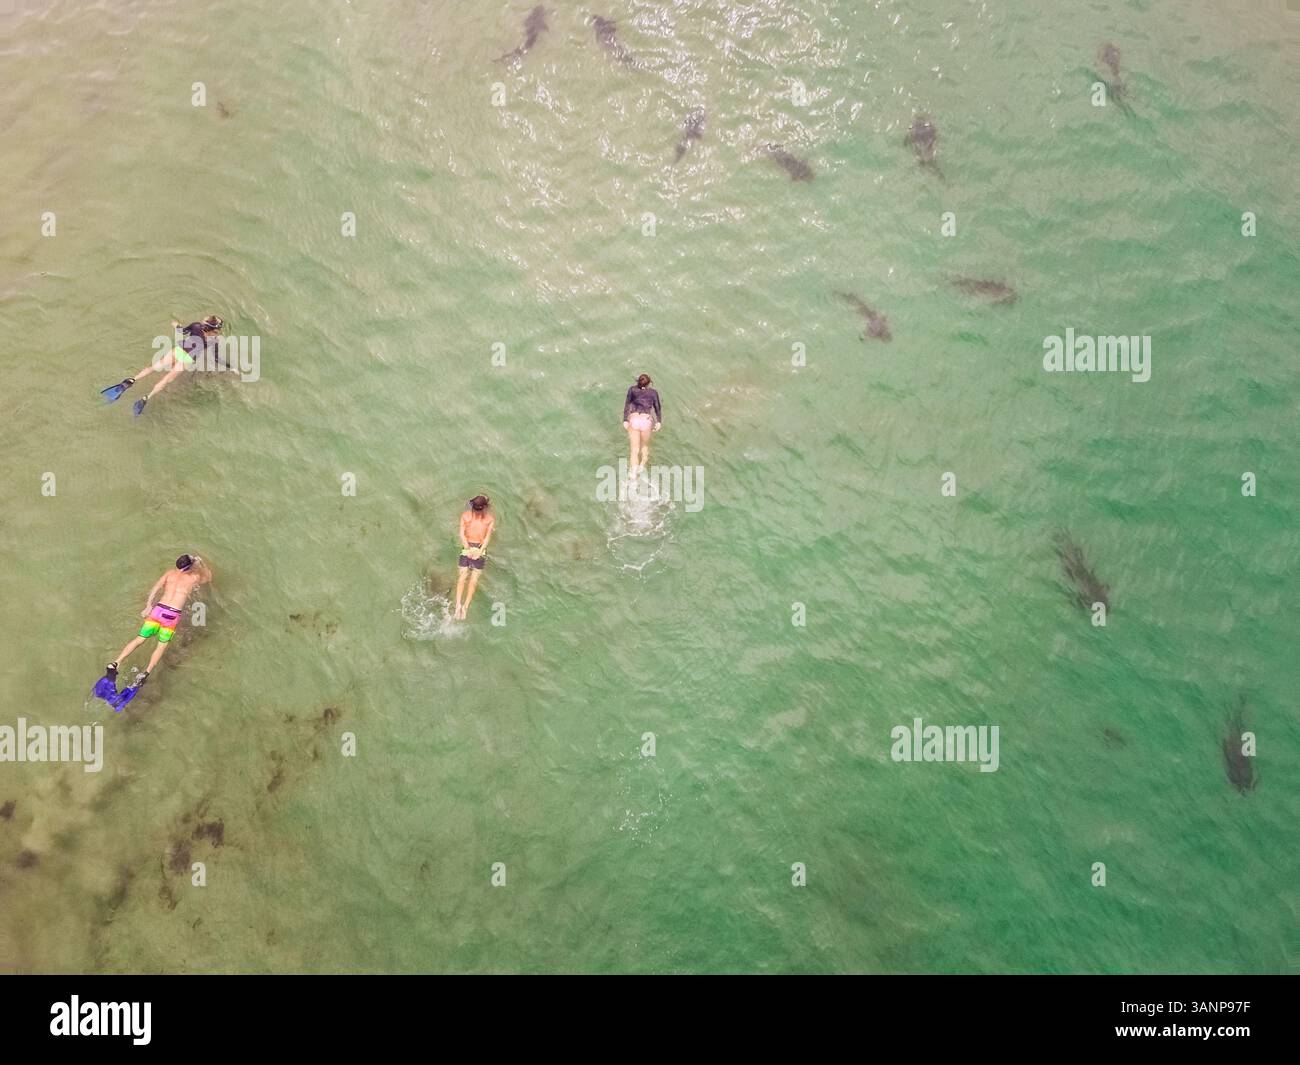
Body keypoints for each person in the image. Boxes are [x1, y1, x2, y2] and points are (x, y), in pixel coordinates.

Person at [99, 555, 212, 694]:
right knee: (160, 646)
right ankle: (146, 673)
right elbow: (209, 577)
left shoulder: (169, 573)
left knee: (139, 639)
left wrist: (148, 606)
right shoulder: (193, 577)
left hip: (158, 611)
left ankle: (115, 663)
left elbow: (155, 588)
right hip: (171, 615)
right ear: (189, 567)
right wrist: (200, 564)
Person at [100, 315, 223, 416]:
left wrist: (176, 326)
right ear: (215, 330)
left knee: (155, 367)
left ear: (206, 324)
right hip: (187, 359)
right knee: (165, 380)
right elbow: (216, 358)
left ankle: (131, 380)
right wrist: (231, 367)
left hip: (178, 351)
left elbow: (182, 331)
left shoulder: (196, 326)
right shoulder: (215, 341)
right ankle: (146, 397)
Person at [454, 496, 495, 620]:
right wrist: (479, 551)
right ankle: (466, 606)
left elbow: (462, 534)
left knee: (462, 578)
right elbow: (487, 538)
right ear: (484, 508)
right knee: (473, 580)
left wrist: (467, 548)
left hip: (467, 549)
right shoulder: (489, 519)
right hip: (479, 550)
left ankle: (458, 606)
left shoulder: (465, 516)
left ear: (472, 506)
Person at [622, 373, 661, 480]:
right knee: (644, 446)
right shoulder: (653, 392)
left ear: (638, 381)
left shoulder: (632, 390)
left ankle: (633, 473)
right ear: (649, 383)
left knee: (634, 450)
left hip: (634, 419)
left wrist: (625, 420)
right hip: (646, 420)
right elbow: (657, 407)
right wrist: (658, 421)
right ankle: (642, 466)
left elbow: (627, 405)